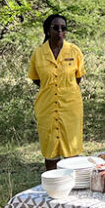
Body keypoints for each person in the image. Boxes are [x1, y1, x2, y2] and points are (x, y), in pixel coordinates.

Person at [29, 13, 85, 171]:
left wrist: (64, 87)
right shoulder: (38, 54)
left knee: (72, 151)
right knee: (50, 151)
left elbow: (77, 78)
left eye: (63, 28)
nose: (60, 31)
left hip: (70, 107)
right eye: (55, 27)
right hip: (46, 107)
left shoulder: (74, 52)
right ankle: (53, 186)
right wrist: (51, 87)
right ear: (48, 30)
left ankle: (74, 189)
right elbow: (36, 79)